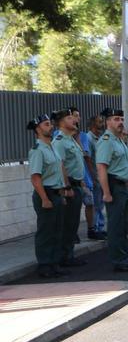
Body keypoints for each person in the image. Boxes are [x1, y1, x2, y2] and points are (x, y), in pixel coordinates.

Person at [95, 108, 128, 273]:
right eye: (115, 119)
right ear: (107, 122)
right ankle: (118, 260)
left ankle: (124, 257)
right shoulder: (106, 141)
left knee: (123, 225)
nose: (120, 122)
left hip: (124, 186)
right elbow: (101, 167)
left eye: (121, 119)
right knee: (115, 225)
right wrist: (106, 192)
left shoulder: (118, 140)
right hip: (114, 186)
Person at [28, 113, 68, 278]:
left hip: (56, 193)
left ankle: (54, 263)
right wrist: (44, 198)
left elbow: (59, 172)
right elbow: (35, 177)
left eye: (50, 124)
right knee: (46, 231)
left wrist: (63, 193)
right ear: (37, 129)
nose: (50, 127)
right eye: (45, 124)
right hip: (46, 194)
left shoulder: (51, 147)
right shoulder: (37, 150)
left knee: (57, 230)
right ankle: (44, 265)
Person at [51, 109, 89, 267]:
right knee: (66, 223)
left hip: (76, 185)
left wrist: (82, 183)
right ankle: (62, 257)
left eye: (73, 117)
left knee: (72, 223)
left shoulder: (71, 139)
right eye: (69, 117)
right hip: (69, 187)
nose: (74, 119)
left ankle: (68, 254)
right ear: (61, 122)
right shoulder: (60, 140)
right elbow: (60, 165)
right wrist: (67, 187)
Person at [80, 113, 106, 240]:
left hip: (100, 177)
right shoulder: (89, 139)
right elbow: (88, 160)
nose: (102, 124)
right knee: (95, 204)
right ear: (92, 125)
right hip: (94, 177)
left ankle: (100, 227)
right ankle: (95, 228)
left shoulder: (100, 138)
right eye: (99, 122)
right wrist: (93, 177)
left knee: (100, 204)